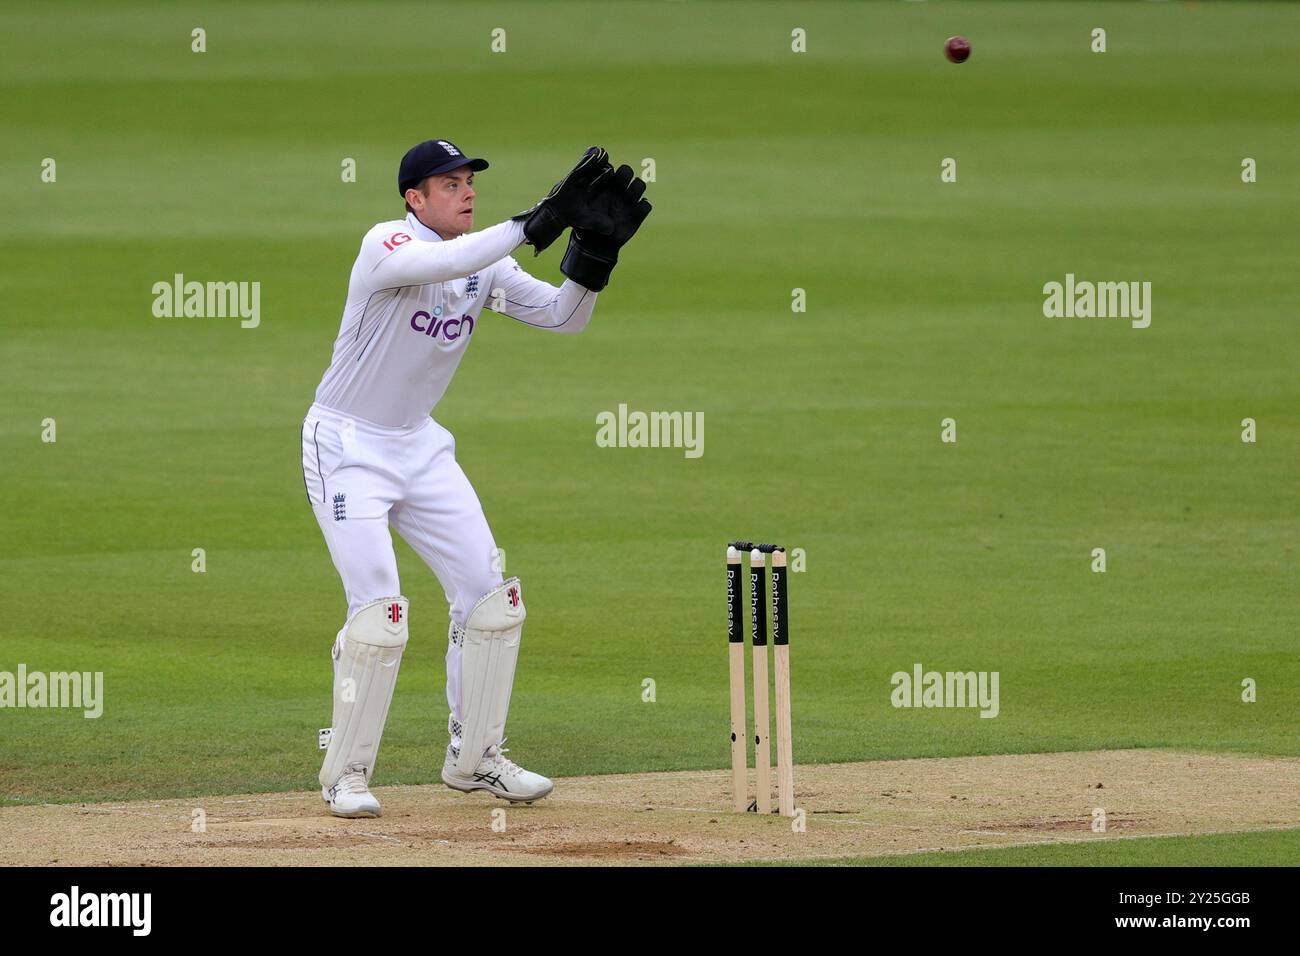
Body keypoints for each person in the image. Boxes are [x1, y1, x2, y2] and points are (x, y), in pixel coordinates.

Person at [301, 140, 651, 817]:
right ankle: (346, 773)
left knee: (490, 601)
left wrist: (595, 254)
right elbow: (448, 261)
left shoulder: (482, 263)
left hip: (420, 446)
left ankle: (476, 758)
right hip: (347, 445)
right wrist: (536, 223)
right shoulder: (386, 245)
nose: (466, 192)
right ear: (414, 198)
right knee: (379, 616)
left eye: (469, 182)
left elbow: (563, 317)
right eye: (450, 184)